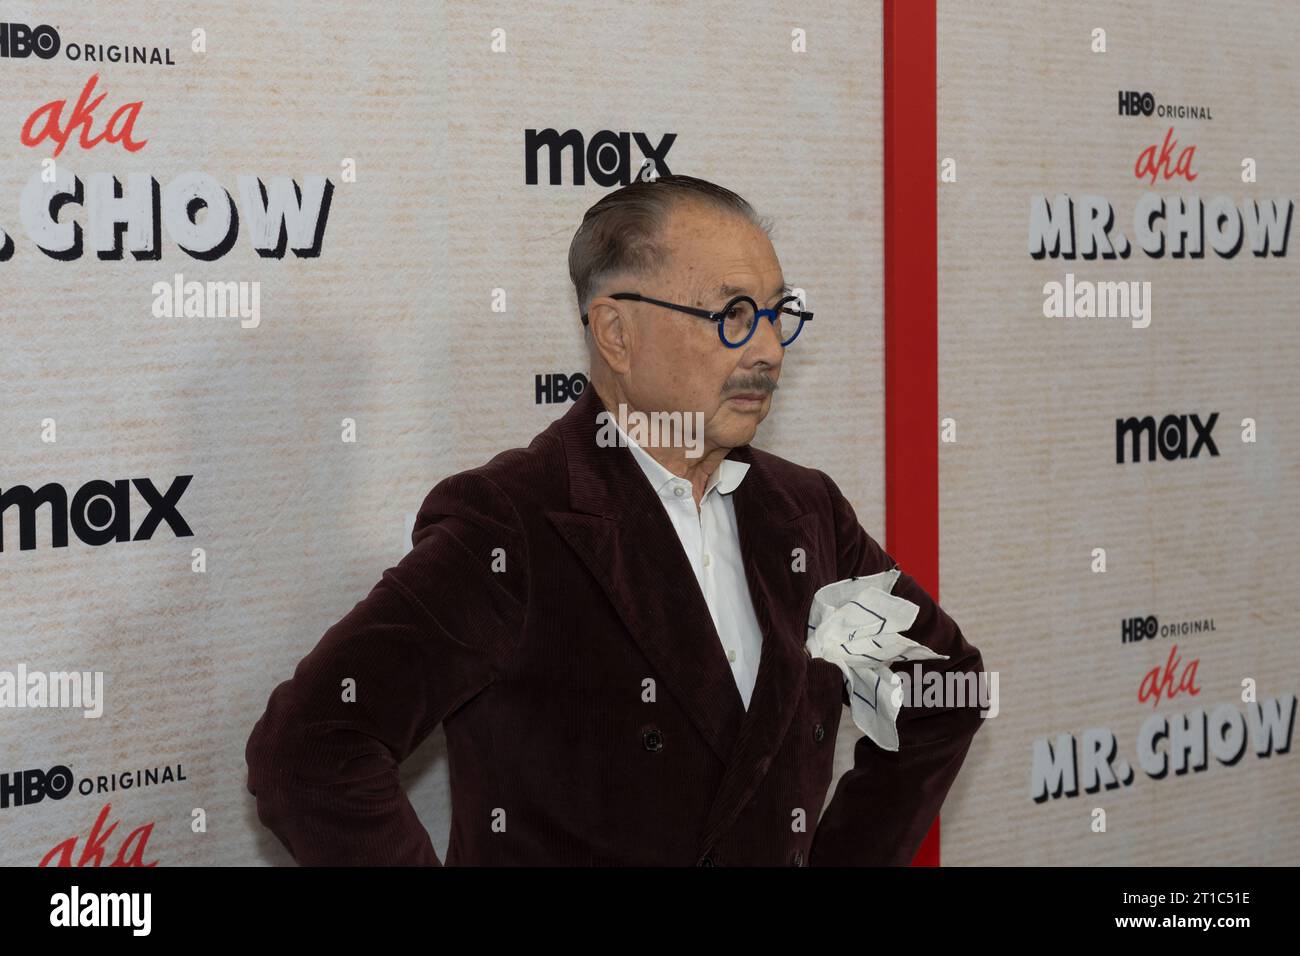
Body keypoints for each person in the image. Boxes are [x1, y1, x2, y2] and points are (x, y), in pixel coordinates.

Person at [244, 174, 985, 866]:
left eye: (776, 314)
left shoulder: (805, 513)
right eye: (731, 315)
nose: (766, 350)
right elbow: (308, 754)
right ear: (616, 334)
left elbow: (942, 692)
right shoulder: (514, 524)